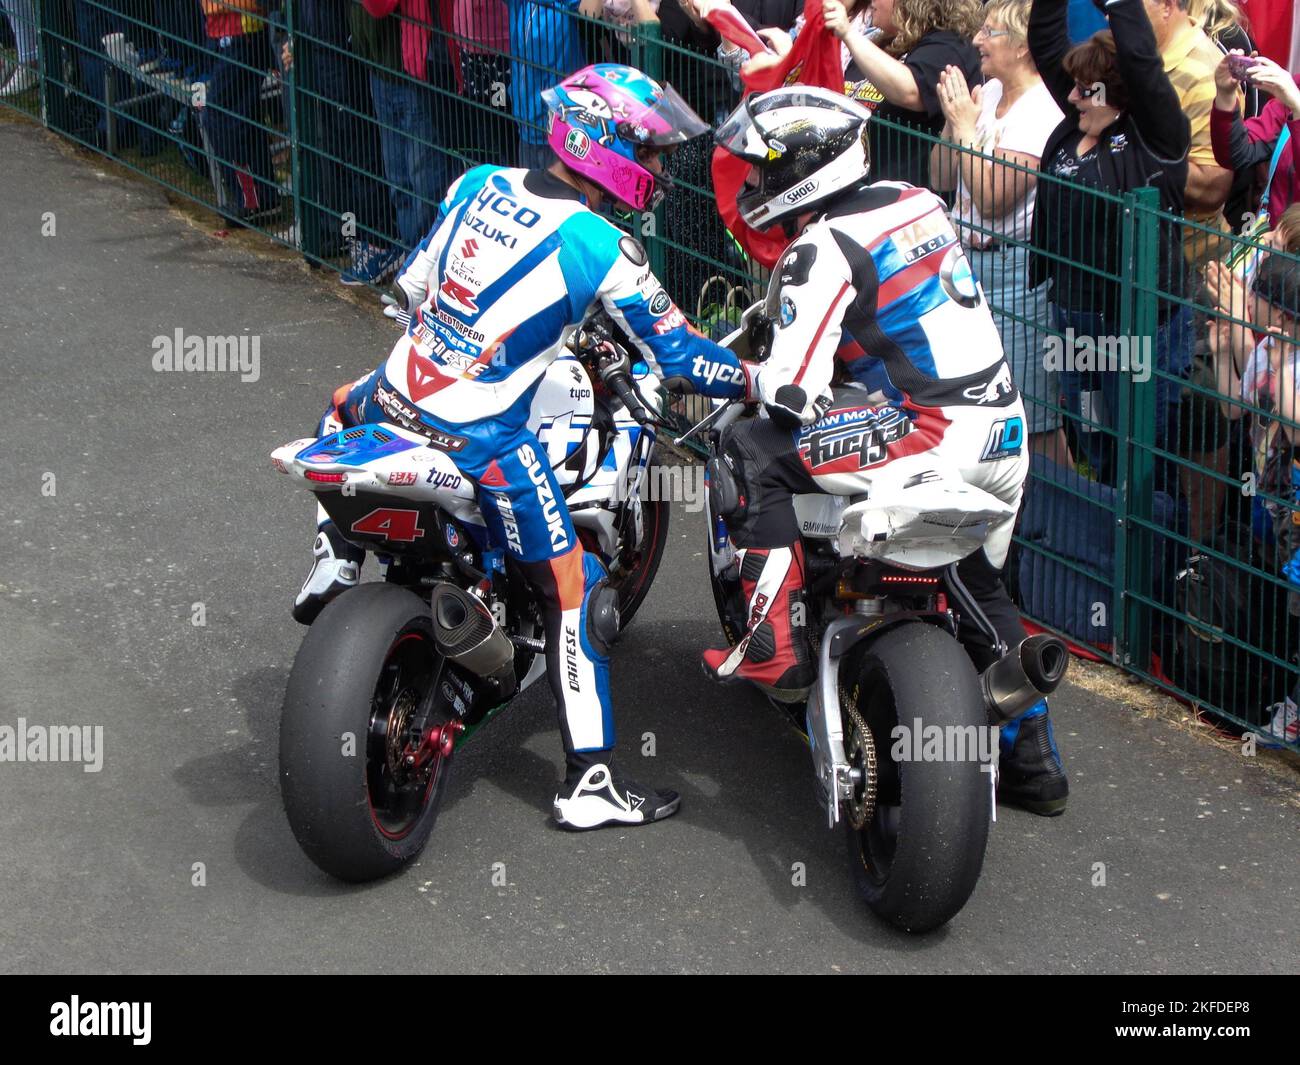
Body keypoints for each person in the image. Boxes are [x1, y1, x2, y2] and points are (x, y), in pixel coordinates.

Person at [294, 64, 758, 829]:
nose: (659, 170)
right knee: (569, 586)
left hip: (394, 393)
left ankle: (334, 562)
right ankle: (591, 782)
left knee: (341, 401)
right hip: (482, 440)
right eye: (652, 153)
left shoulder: (478, 181)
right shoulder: (604, 245)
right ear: (605, 145)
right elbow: (680, 358)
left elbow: (415, 292)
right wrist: (756, 376)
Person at [704, 84, 1069, 815]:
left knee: (751, 447)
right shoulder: (911, 199)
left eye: (761, 169)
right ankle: (1034, 762)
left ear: (801, 171)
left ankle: (775, 645)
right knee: (979, 584)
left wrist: (727, 372)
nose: (751, 184)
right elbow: (903, 312)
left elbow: (788, 393)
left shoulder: (819, 246)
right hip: (1001, 430)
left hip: (928, 433)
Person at [1027, 0, 1191, 494]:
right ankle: (1105, 539)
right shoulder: (1079, 120)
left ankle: (1156, 558)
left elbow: (1141, 61)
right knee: (1094, 436)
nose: (1072, 96)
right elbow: (1046, 41)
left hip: (1138, 321)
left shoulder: (1152, 136)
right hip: (1077, 322)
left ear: (1112, 92)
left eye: (1084, 88)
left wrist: (1119, 4)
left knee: (1142, 451)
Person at [929, 0, 1069, 463]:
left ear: (1024, 46)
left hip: (1014, 275)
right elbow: (942, 178)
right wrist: (954, 125)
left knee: (1033, 415)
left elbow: (991, 201)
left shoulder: (1043, 110)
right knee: (969, 402)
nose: (977, 41)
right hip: (963, 264)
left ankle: (1060, 518)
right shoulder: (987, 94)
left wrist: (967, 129)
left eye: (990, 32)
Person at [1143, 0, 1237, 266]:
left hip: (1186, 269)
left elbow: (1212, 188)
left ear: (1166, 6)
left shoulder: (1204, 75)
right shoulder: (1134, 51)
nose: (1112, 17)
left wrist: (1131, 152)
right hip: (1138, 257)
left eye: (1129, 5)